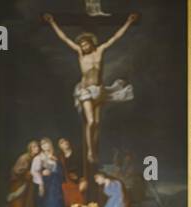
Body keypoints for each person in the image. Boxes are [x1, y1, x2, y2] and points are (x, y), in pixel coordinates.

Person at [42, 12, 139, 169]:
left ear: (91, 43)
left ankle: (93, 149)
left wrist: (128, 22)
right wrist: (53, 22)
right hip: (85, 90)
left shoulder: (100, 51)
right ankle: (90, 152)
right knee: (91, 121)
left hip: (99, 91)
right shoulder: (80, 54)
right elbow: (65, 39)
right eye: (81, 45)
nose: (83, 47)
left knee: (98, 123)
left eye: (85, 44)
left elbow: (115, 37)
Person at [27, 138, 66, 207]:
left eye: (47, 144)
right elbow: (34, 172)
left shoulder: (56, 156)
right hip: (46, 186)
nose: (45, 146)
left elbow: (61, 173)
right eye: (43, 145)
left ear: (50, 144)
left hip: (56, 185)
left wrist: (56, 166)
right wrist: (41, 182)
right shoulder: (39, 158)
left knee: (57, 205)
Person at [5, 140, 40, 207]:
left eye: (37, 147)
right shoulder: (24, 158)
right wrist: (27, 174)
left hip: (30, 188)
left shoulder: (37, 159)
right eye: (34, 147)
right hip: (19, 187)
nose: (36, 149)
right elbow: (16, 171)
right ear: (30, 149)